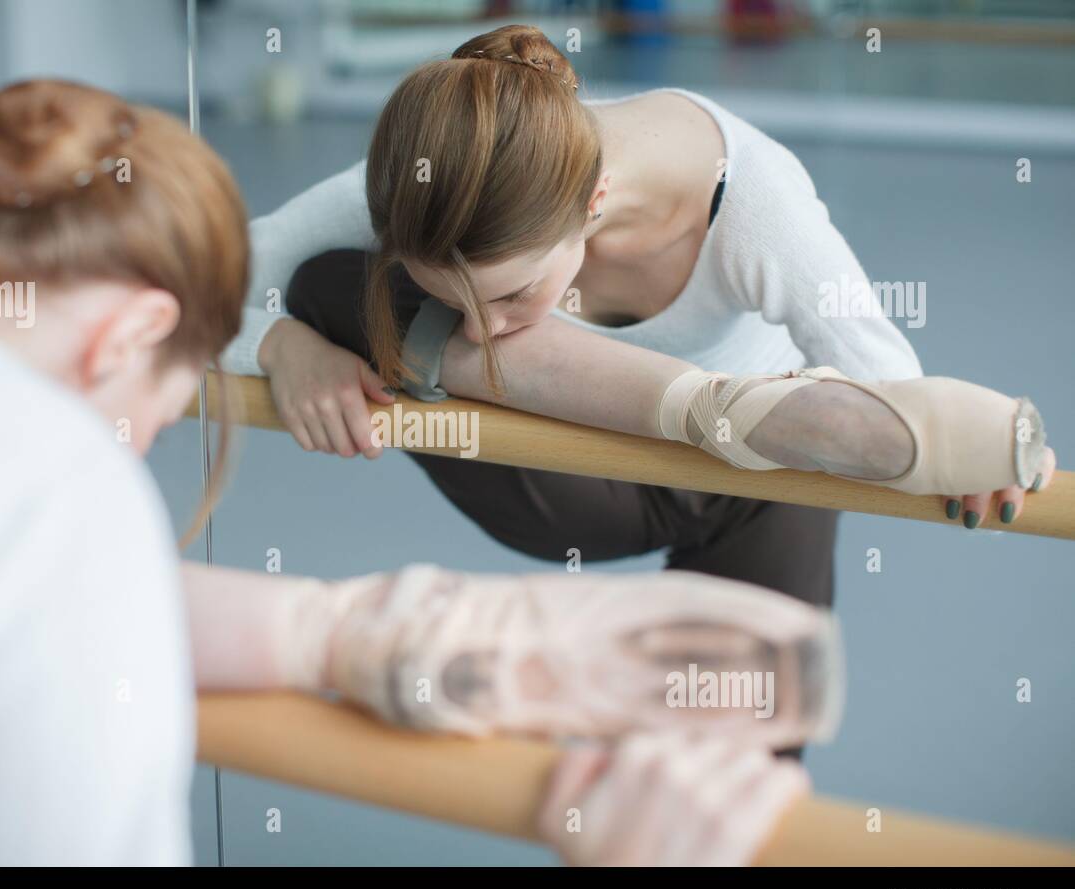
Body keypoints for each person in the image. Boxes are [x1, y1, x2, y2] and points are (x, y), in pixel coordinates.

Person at [0, 78, 820, 867]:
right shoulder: (46, 477)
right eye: (157, 413)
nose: (129, 447)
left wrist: (337, 630)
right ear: (131, 334)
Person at [228, 25, 1056, 628]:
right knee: (333, 280)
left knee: (742, 750)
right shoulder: (448, 171)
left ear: (594, 202)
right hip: (573, 480)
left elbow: (893, 388)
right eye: (463, 304)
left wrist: (986, 458)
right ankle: (715, 406)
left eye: (512, 294)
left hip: (759, 489)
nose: (479, 333)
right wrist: (282, 343)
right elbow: (210, 281)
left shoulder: (760, 203)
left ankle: (742, 413)